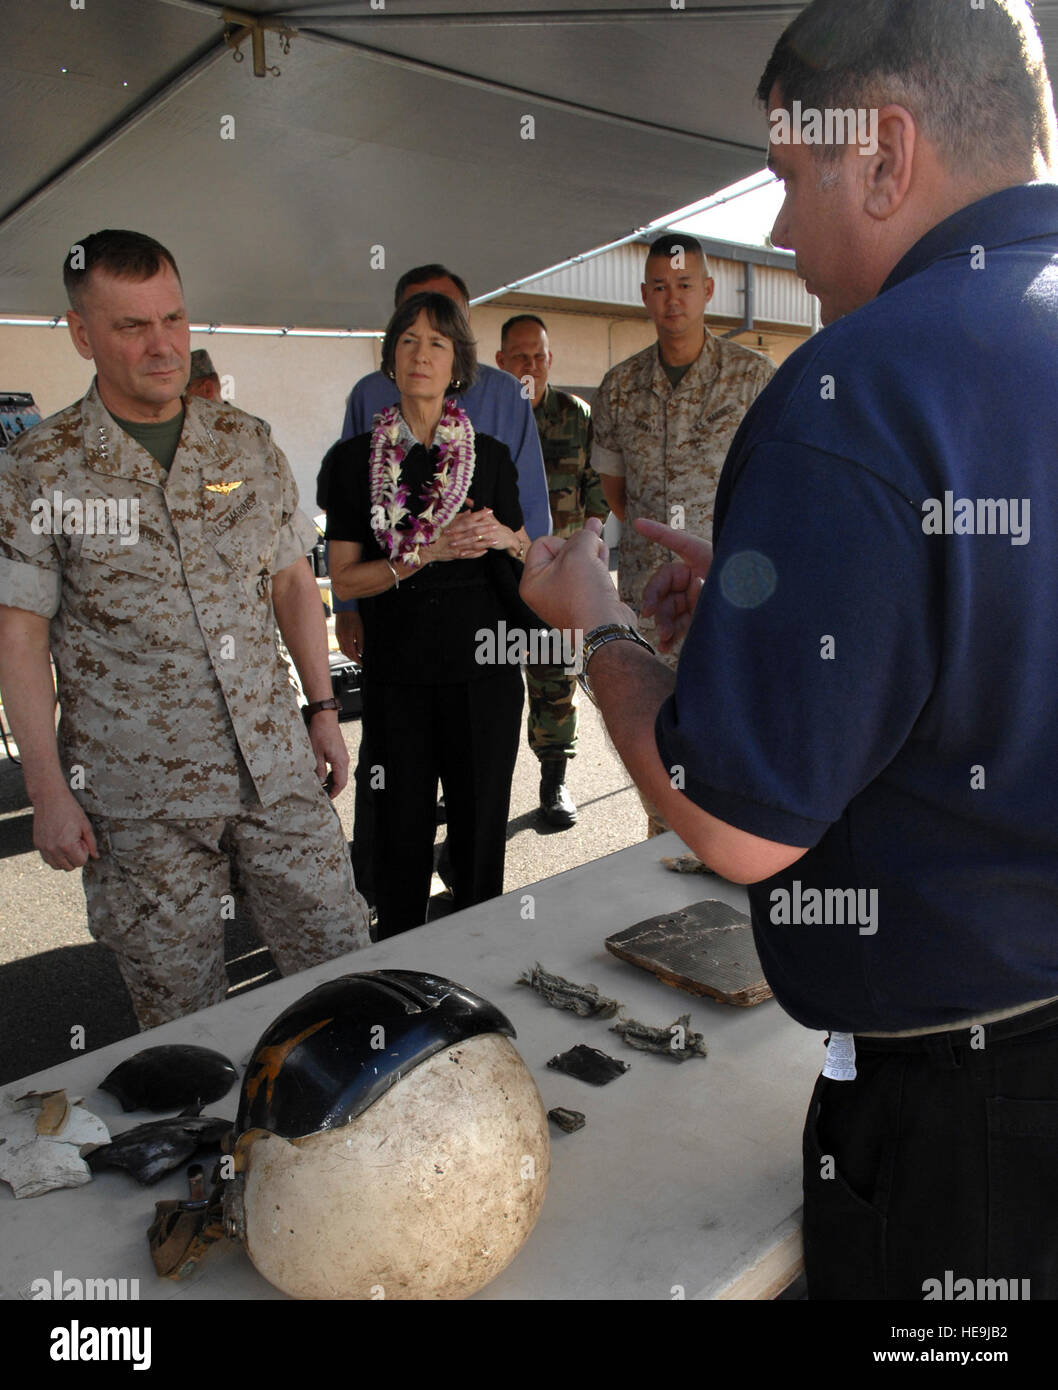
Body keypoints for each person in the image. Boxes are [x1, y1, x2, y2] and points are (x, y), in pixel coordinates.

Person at [521, 0, 1058, 1302]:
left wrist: (594, 628)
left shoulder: (862, 388)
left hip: (966, 1129)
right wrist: (782, 630)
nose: (774, 233)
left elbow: (738, 823)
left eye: (788, 177)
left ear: (879, 150)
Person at [0, 230, 369, 1029]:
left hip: (275, 770)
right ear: (81, 333)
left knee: (346, 971)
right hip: (140, 805)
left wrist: (324, 709)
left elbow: (292, 583)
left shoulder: (244, 441)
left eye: (173, 317)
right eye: (132, 326)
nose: (163, 344)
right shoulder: (40, 468)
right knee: (183, 1023)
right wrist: (46, 790)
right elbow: (20, 637)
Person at [330, 264, 551, 903]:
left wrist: (510, 548)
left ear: (461, 340)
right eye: (410, 331)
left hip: (483, 648)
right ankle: (390, 936)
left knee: (480, 826)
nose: (422, 347)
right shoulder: (365, 412)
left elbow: (531, 530)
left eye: (440, 331)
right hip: (398, 646)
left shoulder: (503, 413)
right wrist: (354, 602)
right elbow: (347, 552)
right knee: (397, 815)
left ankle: (470, 948)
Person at [592, 233, 775, 836]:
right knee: (657, 747)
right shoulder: (618, 387)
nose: (673, 300)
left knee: (732, 737)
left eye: (685, 286)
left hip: (732, 591)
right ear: (646, 295)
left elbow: (776, 480)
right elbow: (616, 488)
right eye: (661, 288)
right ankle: (664, 876)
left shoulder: (753, 378)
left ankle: (731, 858)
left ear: (708, 291)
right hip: (651, 597)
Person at [495, 313, 608, 828]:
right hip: (494, 576)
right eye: (520, 355)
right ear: (500, 361)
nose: (531, 365)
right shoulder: (484, 416)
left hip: (554, 573)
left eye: (539, 355)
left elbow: (597, 490)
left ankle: (553, 781)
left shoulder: (575, 414)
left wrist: (584, 547)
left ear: (550, 359)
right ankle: (471, 781)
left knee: (553, 680)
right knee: (488, 683)